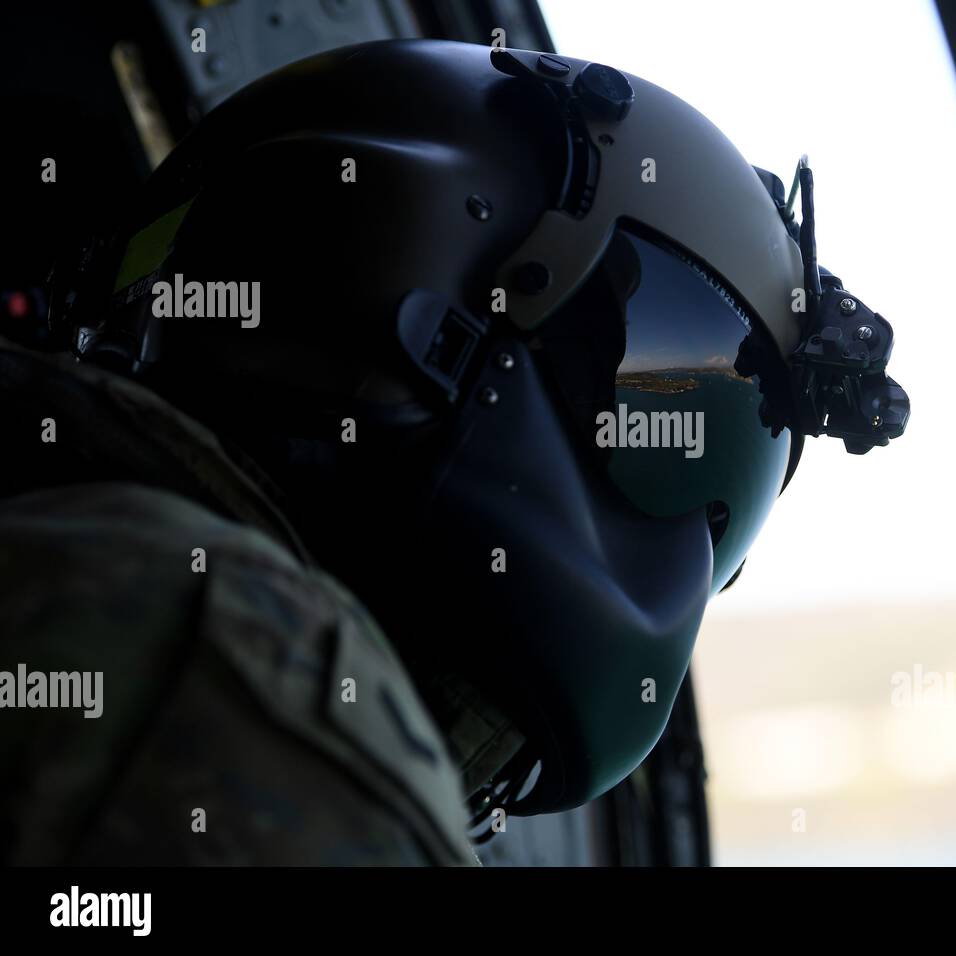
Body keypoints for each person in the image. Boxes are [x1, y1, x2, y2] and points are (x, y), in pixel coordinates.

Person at [0, 40, 908, 864]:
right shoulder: (250, 685)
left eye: (724, 495)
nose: (689, 551)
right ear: (395, 241)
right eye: (607, 381)